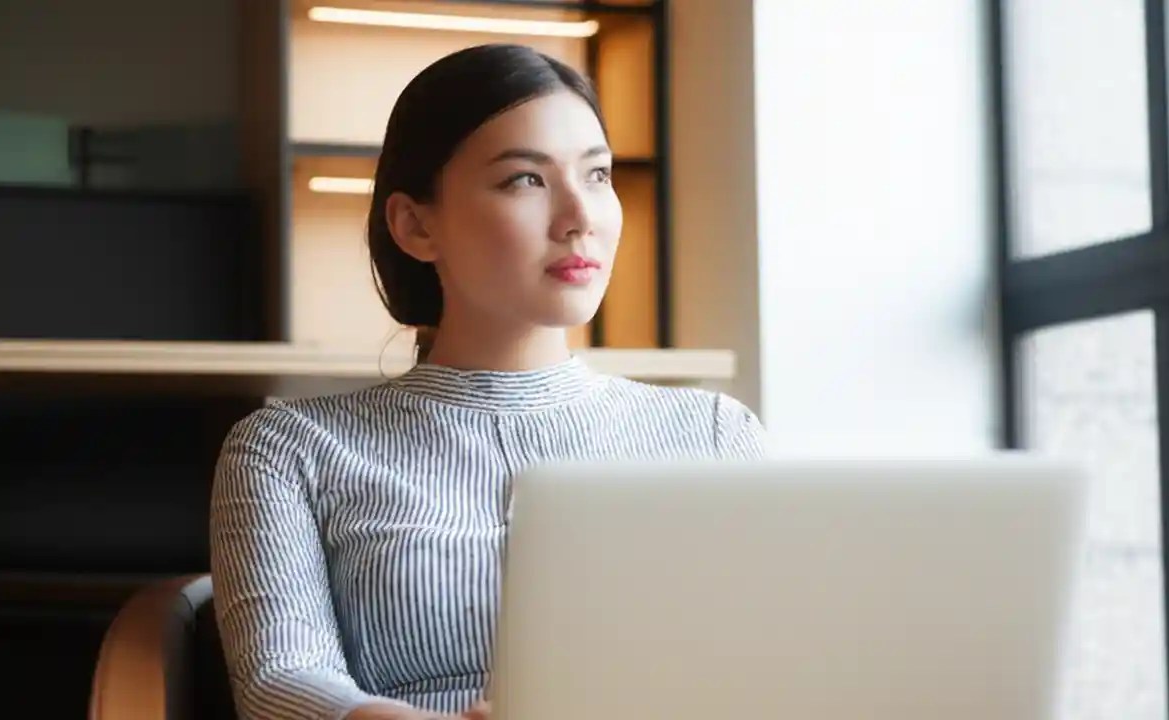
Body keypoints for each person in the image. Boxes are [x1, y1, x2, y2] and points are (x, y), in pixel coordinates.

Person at [209, 43, 765, 720]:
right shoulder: (291, 447)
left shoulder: (713, 434)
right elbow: (281, 681)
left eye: (596, 176)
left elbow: (771, 666)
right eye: (525, 180)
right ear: (415, 225)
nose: (580, 217)